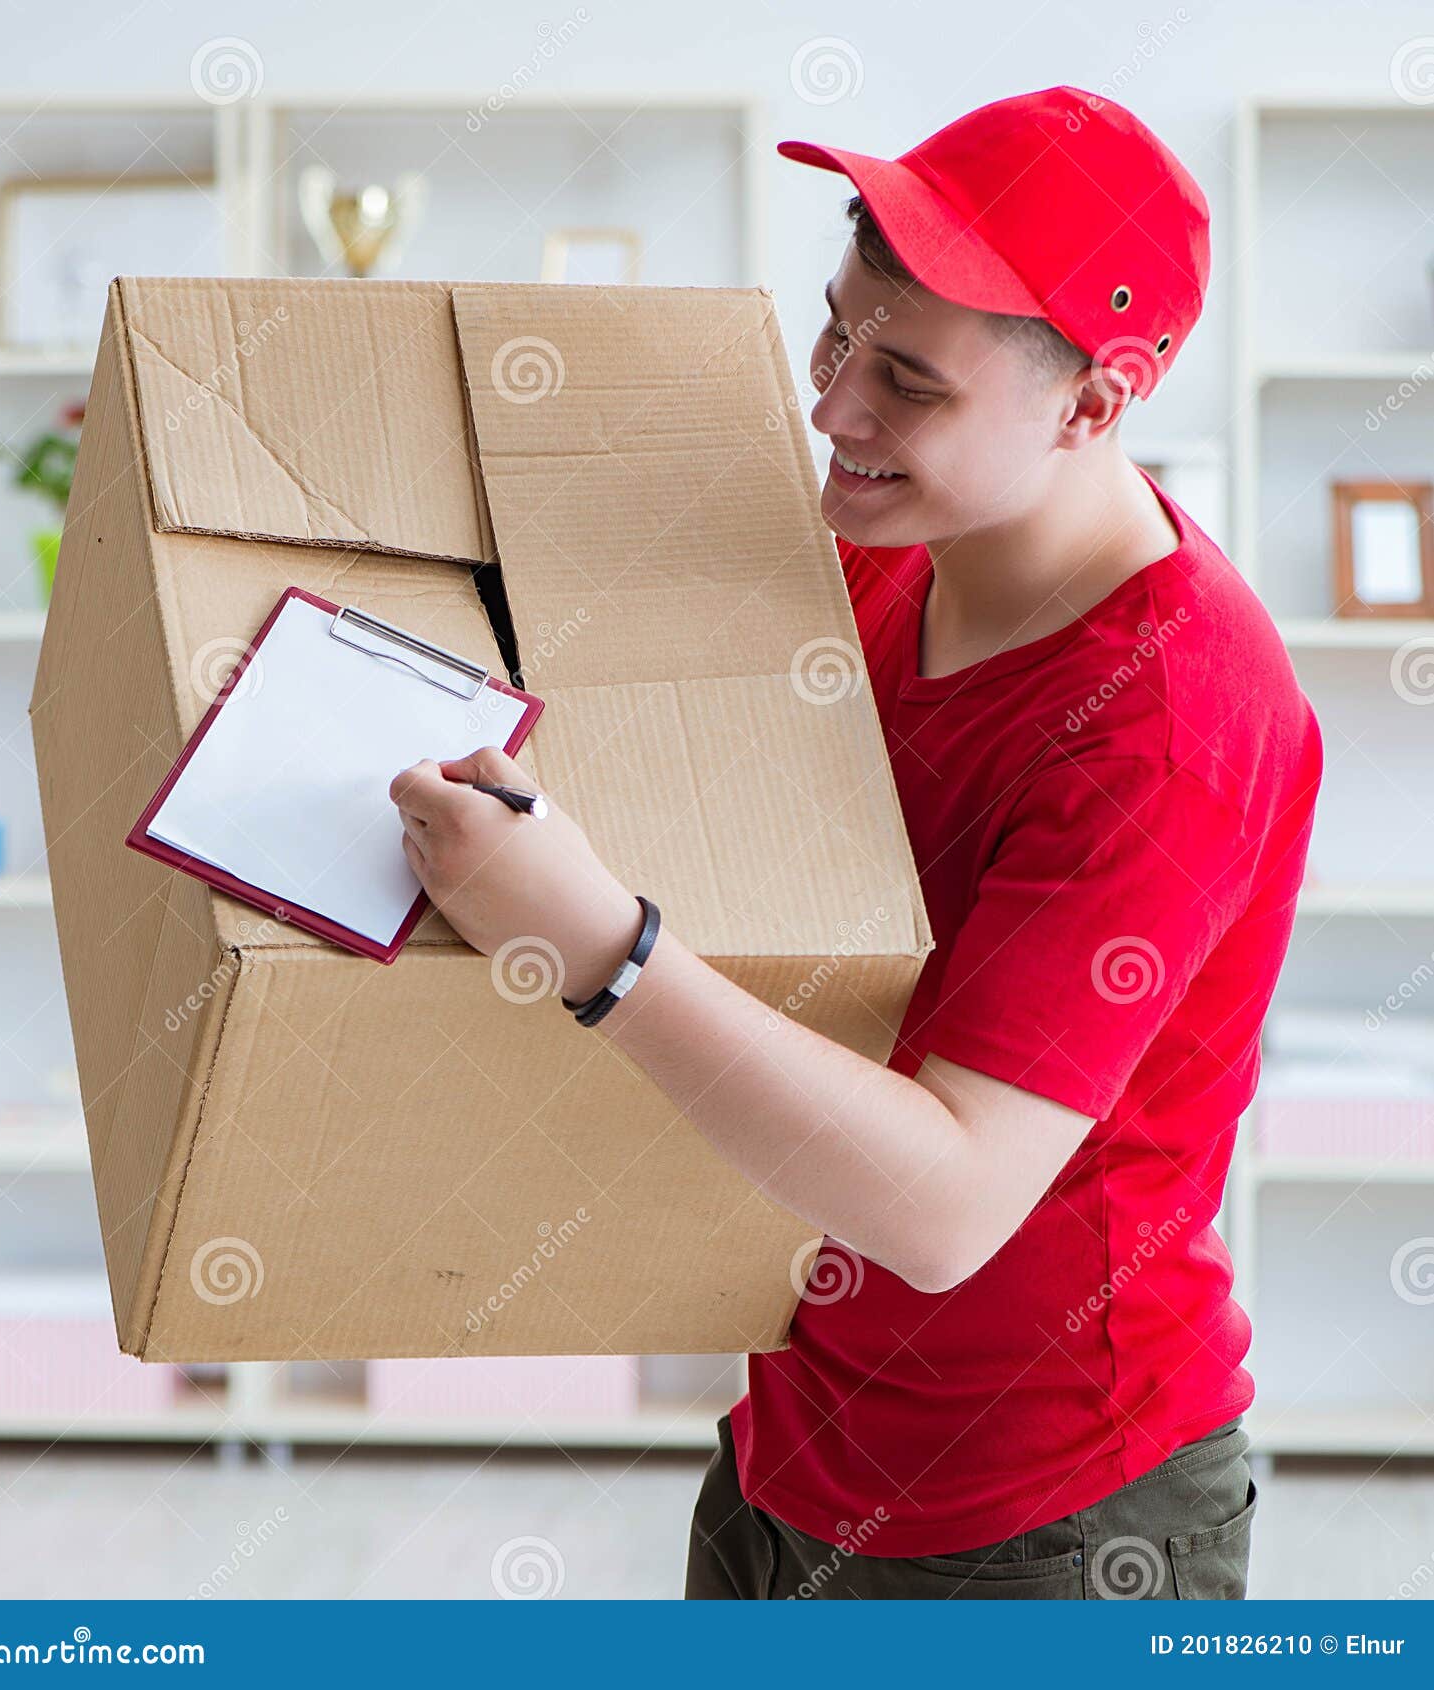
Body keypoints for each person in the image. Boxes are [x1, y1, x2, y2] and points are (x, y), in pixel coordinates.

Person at [389, 85, 1323, 1600]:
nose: (832, 411)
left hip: (1048, 1522)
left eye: (908, 381)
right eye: (836, 337)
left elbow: (946, 1208)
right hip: (791, 1434)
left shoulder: (1172, 724)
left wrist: (598, 948)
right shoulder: (874, 558)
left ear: (1096, 404)